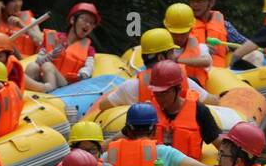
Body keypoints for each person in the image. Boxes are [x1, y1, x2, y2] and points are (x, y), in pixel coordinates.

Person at [88, 29, 217, 115]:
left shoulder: (130, 87)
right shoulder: (184, 82)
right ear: (161, 57)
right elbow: (214, 102)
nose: (175, 58)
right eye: (172, 53)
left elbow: (104, 106)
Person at [27, 2, 99, 90]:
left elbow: (89, 67)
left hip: (65, 85)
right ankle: (29, 91)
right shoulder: (52, 37)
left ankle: (47, 89)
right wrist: (50, 56)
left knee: (47, 66)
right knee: (32, 67)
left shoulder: (89, 49)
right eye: (85, 19)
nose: (88, 24)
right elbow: (38, 61)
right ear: (73, 20)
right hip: (46, 78)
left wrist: (81, 75)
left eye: (91, 23)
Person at [164, 2, 213, 87]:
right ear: (167, 29)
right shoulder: (160, 47)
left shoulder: (200, 48)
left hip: (195, 95)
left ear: (191, 29)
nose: (179, 38)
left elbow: (207, 61)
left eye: (183, 33)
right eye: (174, 34)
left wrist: (177, 60)